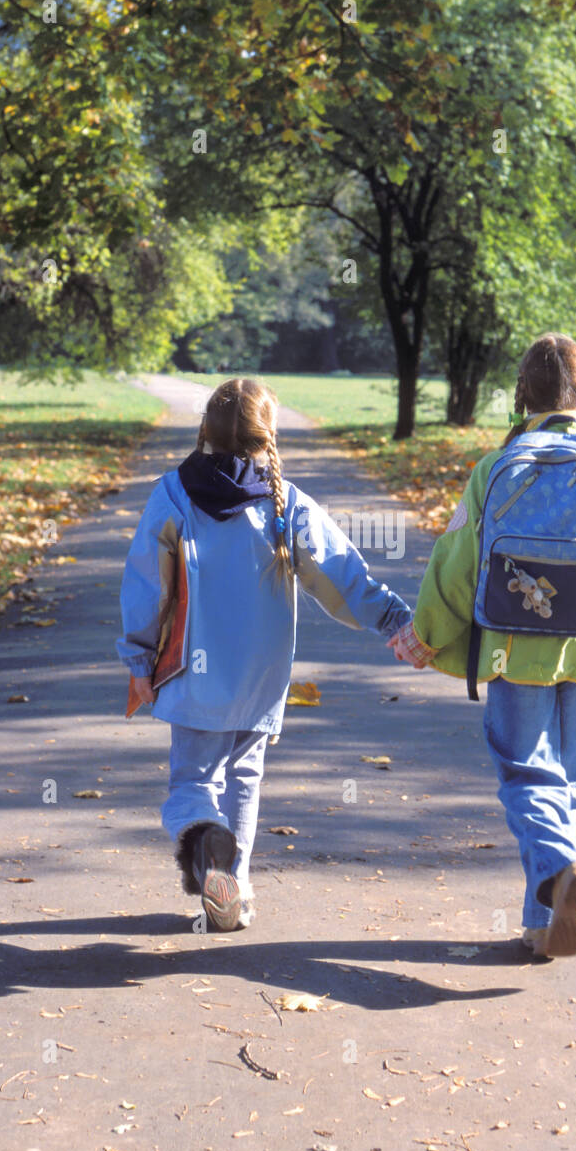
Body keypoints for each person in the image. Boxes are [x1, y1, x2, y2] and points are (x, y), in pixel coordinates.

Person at [389, 333, 576, 958]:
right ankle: (538, 919)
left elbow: (458, 563)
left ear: (522, 400)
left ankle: (562, 868)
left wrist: (427, 633)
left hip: (512, 651)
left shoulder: (497, 468)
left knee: (525, 771)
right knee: (568, 778)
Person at [118, 378, 411, 931]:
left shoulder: (172, 496)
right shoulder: (287, 504)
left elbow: (145, 587)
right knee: (244, 777)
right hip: (260, 679)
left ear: (203, 429)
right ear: (267, 438)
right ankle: (236, 887)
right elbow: (341, 576)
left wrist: (138, 661)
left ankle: (206, 841)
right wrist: (395, 620)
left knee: (193, 783)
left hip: (190, 675)